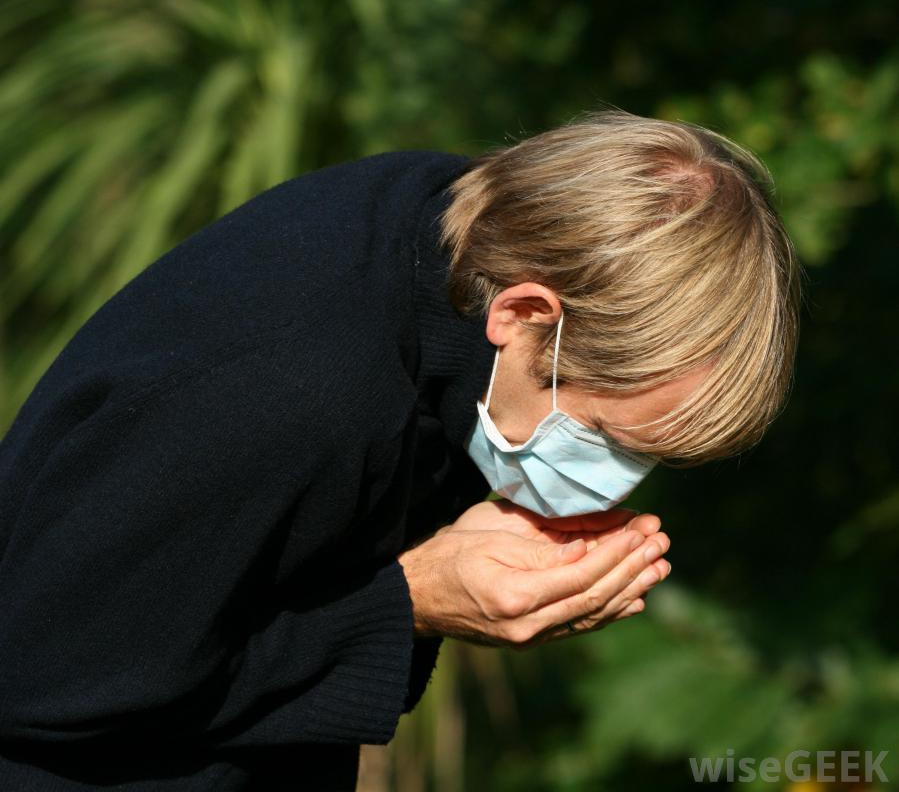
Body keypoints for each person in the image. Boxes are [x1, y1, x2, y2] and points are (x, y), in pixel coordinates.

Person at [0, 108, 801, 790]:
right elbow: (49, 684)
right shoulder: (288, 384)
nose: (609, 482)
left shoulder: (461, 238)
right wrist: (408, 604)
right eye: (600, 436)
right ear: (524, 315)